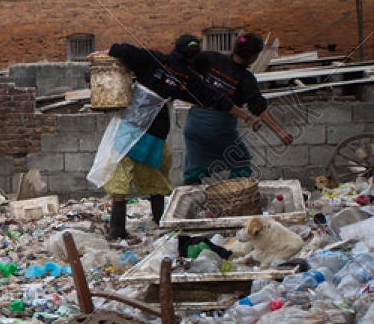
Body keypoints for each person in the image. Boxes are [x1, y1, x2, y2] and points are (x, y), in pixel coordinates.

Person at [99, 34, 257, 240]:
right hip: (156, 128)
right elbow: (216, 99)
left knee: (120, 172)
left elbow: (122, 49)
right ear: (194, 56)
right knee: (155, 170)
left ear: (175, 47)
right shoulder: (187, 78)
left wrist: (105, 54)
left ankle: (117, 230)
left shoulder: (152, 59)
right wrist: (246, 116)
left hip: (131, 124)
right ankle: (160, 220)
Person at [183, 32, 293, 183]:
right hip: (218, 128)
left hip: (193, 125)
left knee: (195, 167)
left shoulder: (212, 58)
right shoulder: (245, 78)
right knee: (241, 162)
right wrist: (279, 131)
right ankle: (231, 199)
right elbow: (258, 108)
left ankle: (191, 197)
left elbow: (185, 63)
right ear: (253, 56)